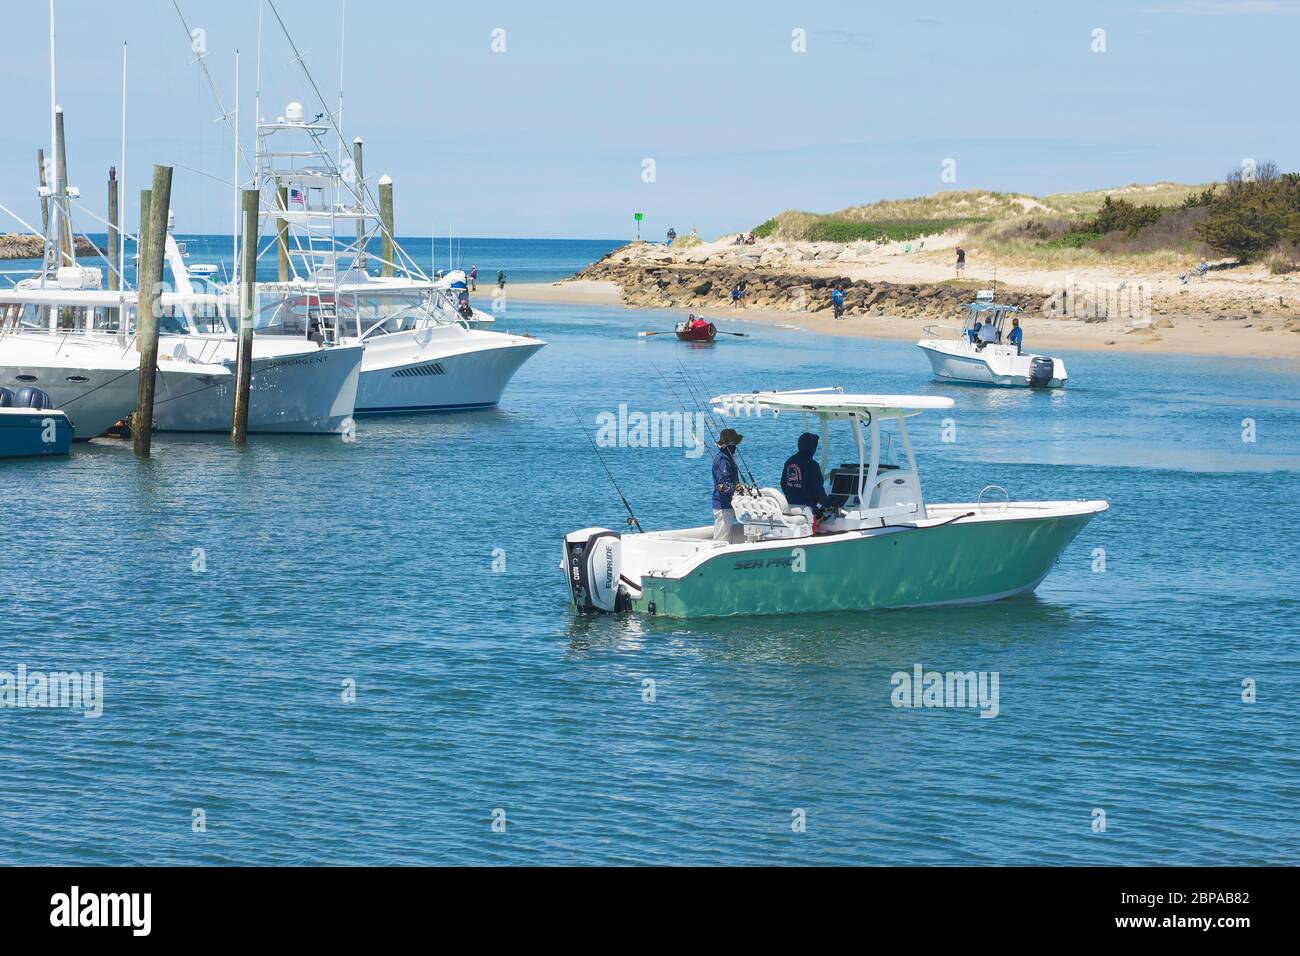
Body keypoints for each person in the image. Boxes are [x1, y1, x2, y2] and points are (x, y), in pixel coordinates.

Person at [781, 433, 832, 514]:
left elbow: (783, 484)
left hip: (790, 507)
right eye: (815, 446)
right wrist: (829, 504)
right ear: (812, 448)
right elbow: (818, 490)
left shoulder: (789, 461)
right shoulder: (812, 465)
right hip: (808, 509)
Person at [712, 428, 745, 543]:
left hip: (728, 505)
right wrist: (738, 489)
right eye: (734, 444)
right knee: (720, 541)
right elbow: (721, 486)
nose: (736, 447)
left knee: (727, 538)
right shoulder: (723, 461)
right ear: (730, 445)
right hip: (723, 506)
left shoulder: (727, 458)